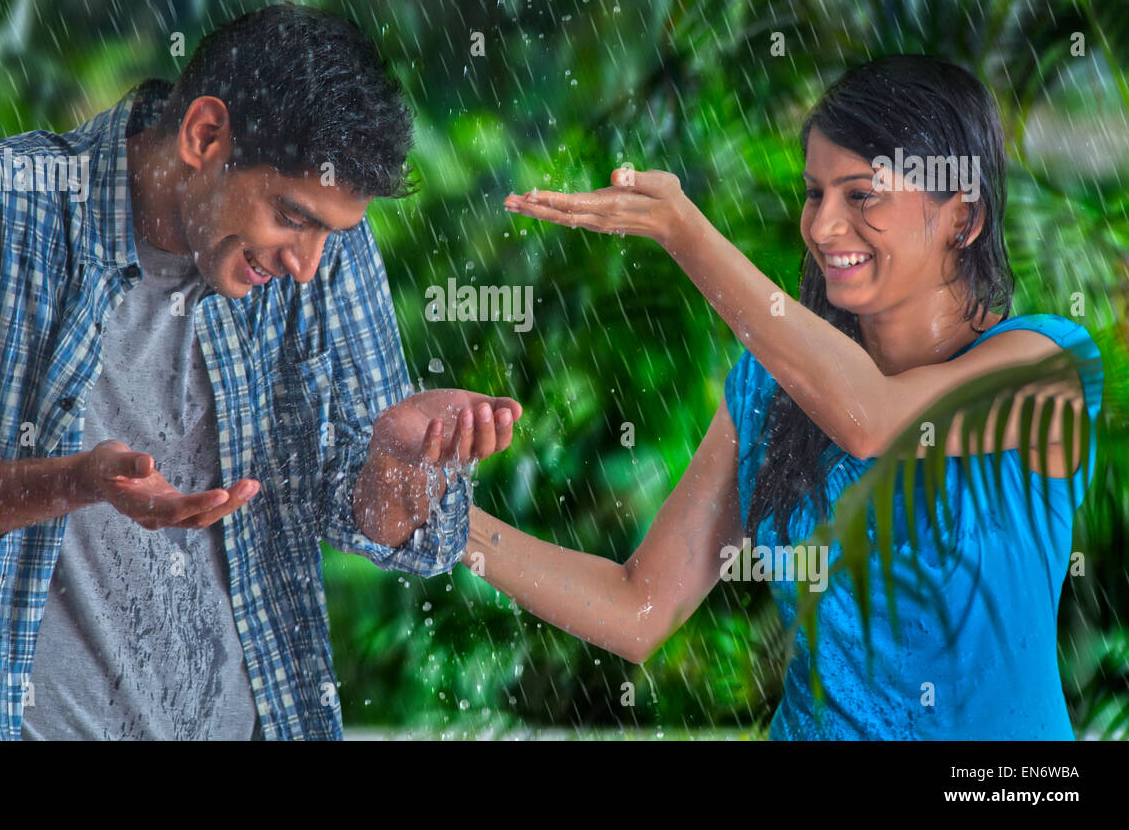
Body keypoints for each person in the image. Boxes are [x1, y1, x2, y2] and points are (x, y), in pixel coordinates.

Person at [0, 2, 520, 740]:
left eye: (329, 231)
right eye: (290, 217)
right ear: (203, 135)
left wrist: (402, 460)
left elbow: (388, 529)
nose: (306, 264)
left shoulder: (326, 259)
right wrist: (73, 483)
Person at [471, 55, 1103, 739]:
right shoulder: (771, 387)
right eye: (814, 194)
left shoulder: (1047, 367)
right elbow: (639, 608)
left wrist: (685, 233)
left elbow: (875, 420)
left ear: (963, 217)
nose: (824, 227)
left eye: (862, 196)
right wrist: (449, 524)